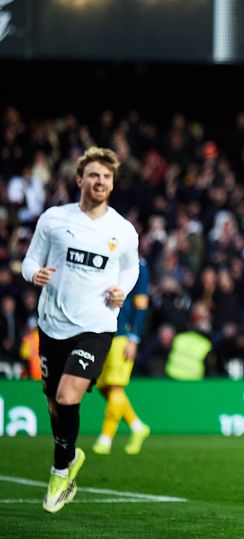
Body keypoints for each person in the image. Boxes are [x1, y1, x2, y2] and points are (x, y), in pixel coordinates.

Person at [21, 147, 139, 513]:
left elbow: (131, 268)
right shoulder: (54, 219)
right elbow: (29, 259)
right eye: (93, 175)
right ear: (80, 180)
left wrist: (124, 290)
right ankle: (71, 456)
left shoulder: (122, 229)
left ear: (112, 184)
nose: (100, 181)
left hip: (97, 326)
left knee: (69, 397)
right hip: (53, 324)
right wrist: (32, 274)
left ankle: (60, 473)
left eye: (106, 176)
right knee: (55, 407)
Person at [92, 257, 151, 456]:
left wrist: (134, 337)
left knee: (116, 387)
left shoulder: (138, 266)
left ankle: (105, 439)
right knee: (102, 385)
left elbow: (141, 303)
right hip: (102, 330)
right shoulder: (105, 257)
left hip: (123, 335)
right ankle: (137, 427)